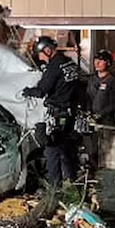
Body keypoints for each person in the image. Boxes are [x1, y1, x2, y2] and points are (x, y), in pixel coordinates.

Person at [22, 35, 84, 187]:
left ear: (48, 50)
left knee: (52, 150)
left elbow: (42, 91)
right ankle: (72, 180)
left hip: (59, 114)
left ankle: (55, 187)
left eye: (41, 54)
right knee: (67, 148)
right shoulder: (69, 63)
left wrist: (28, 91)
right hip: (71, 113)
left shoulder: (54, 67)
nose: (41, 58)